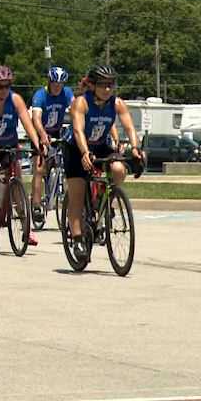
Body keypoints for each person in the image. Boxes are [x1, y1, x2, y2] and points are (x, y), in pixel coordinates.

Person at [64, 65, 143, 260]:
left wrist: (134, 148)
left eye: (111, 85)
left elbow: (129, 127)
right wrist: (84, 153)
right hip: (76, 148)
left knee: (118, 169)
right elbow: (78, 131)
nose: (107, 89)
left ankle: (104, 204)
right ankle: (77, 239)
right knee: (77, 192)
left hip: (100, 145)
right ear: (92, 85)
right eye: (102, 85)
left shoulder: (117, 104)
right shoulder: (81, 103)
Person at [0, 65, 43, 245]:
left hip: (8, 142)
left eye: (6, 85)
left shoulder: (16, 99)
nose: (3, 90)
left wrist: (37, 144)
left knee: (16, 179)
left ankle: (26, 228)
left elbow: (28, 124)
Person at [30, 66, 75, 223]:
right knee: (39, 167)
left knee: (67, 165)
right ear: (49, 82)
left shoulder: (67, 93)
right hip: (39, 132)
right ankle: (36, 205)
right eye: (55, 83)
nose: (58, 87)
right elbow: (35, 118)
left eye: (61, 84)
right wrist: (42, 136)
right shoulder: (40, 95)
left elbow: (76, 111)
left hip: (57, 132)